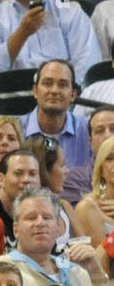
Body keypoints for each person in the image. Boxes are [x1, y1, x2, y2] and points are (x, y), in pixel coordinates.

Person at [7, 186, 103, 286]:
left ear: (58, 227)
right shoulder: (3, 269)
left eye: (47, 217)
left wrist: (97, 276)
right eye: (31, 218)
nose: (40, 223)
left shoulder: (78, 272)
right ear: (16, 230)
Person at [21, 58, 91, 203]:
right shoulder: (15, 131)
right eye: (47, 83)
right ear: (35, 91)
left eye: (63, 85)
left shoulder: (89, 131)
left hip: (81, 209)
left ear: (73, 94)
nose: (54, 90)